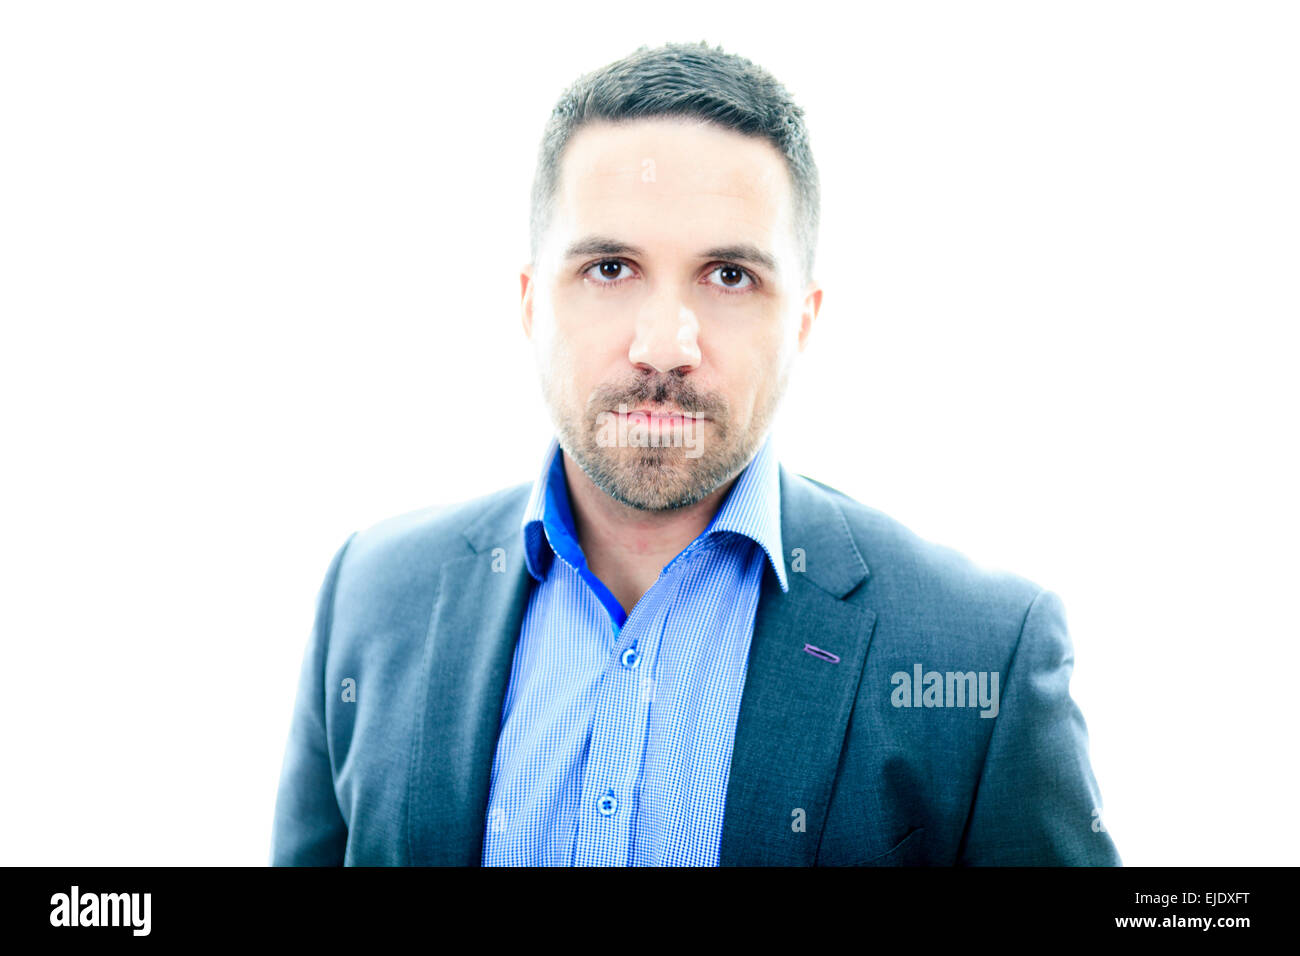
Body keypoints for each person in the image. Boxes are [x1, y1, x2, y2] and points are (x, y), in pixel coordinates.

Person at [271, 40, 1120, 866]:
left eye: (729, 277)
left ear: (803, 322)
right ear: (532, 304)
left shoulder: (984, 652)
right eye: (609, 268)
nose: (664, 345)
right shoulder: (368, 598)